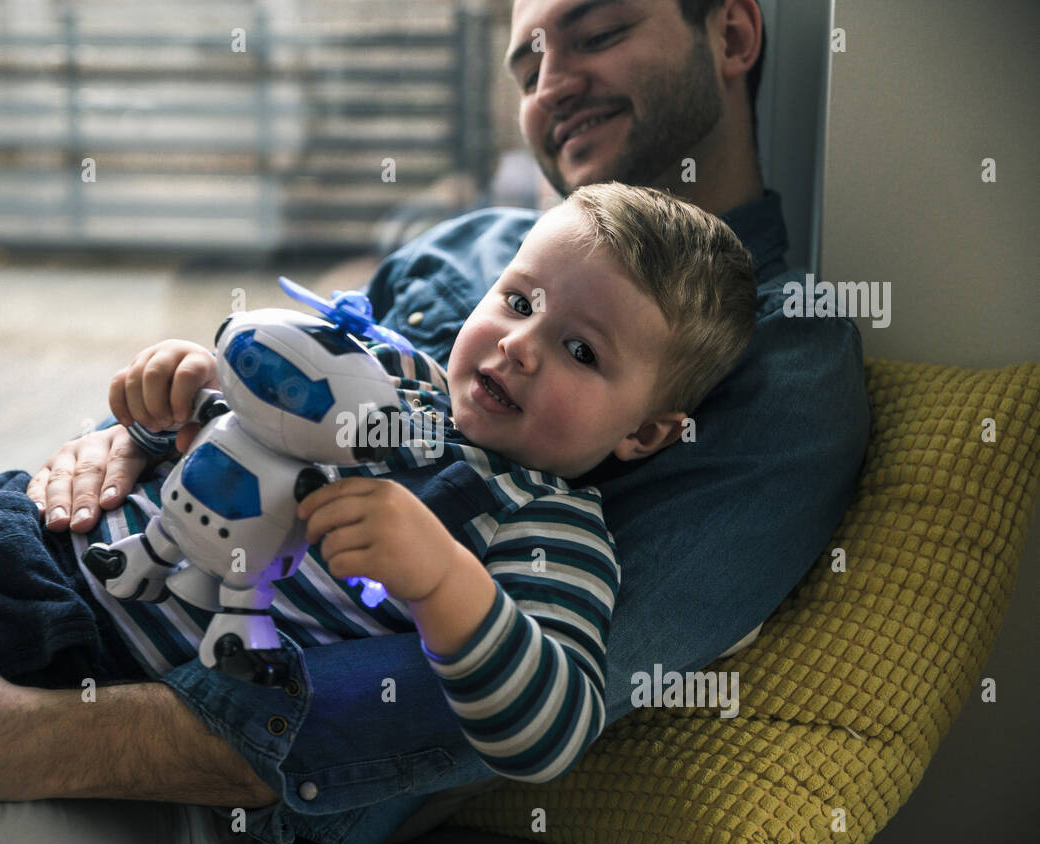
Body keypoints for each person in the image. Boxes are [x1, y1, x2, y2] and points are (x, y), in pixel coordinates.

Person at [0, 0, 869, 844]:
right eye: (526, 60)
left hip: (99, 675)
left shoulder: (774, 381)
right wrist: (148, 415)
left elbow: (496, 711)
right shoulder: (480, 242)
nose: (550, 86)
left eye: (598, 33)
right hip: (17, 524)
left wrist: (15, 734)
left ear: (732, 29)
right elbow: (274, 373)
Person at [78, 182, 755, 785]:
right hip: (58, 536)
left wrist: (443, 581)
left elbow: (552, 733)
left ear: (643, 435)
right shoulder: (392, 368)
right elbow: (227, 424)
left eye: (581, 351)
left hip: (93, 644)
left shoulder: (547, 521)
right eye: (519, 300)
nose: (519, 343)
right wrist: (179, 389)